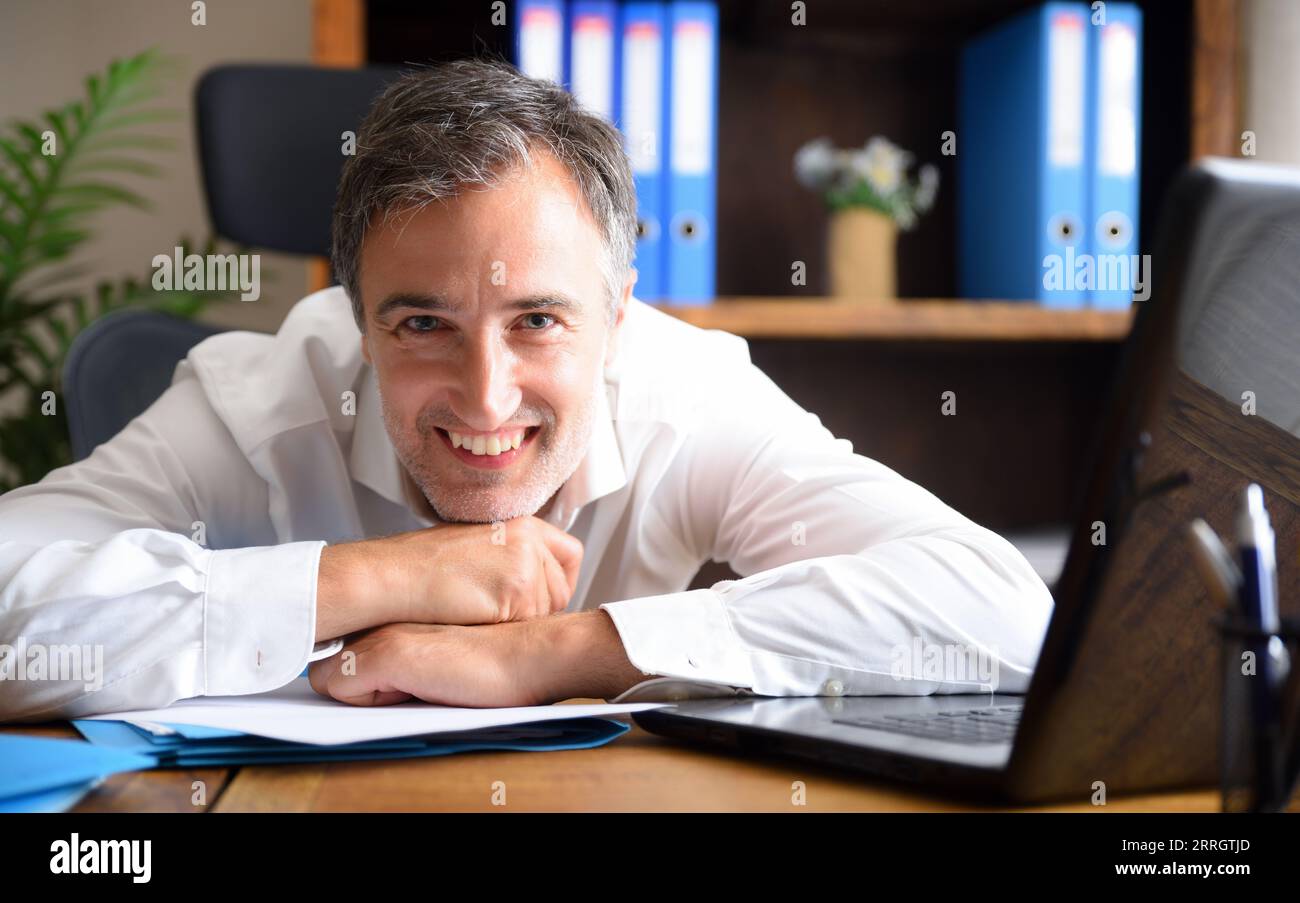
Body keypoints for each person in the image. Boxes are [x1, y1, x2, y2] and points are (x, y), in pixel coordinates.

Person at [0, 59, 1052, 720]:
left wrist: (556, 653)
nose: (488, 398)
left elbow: (1001, 613)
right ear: (356, 317)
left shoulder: (687, 395)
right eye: (421, 324)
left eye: (538, 320)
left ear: (620, 312)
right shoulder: (255, 403)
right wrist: (372, 582)